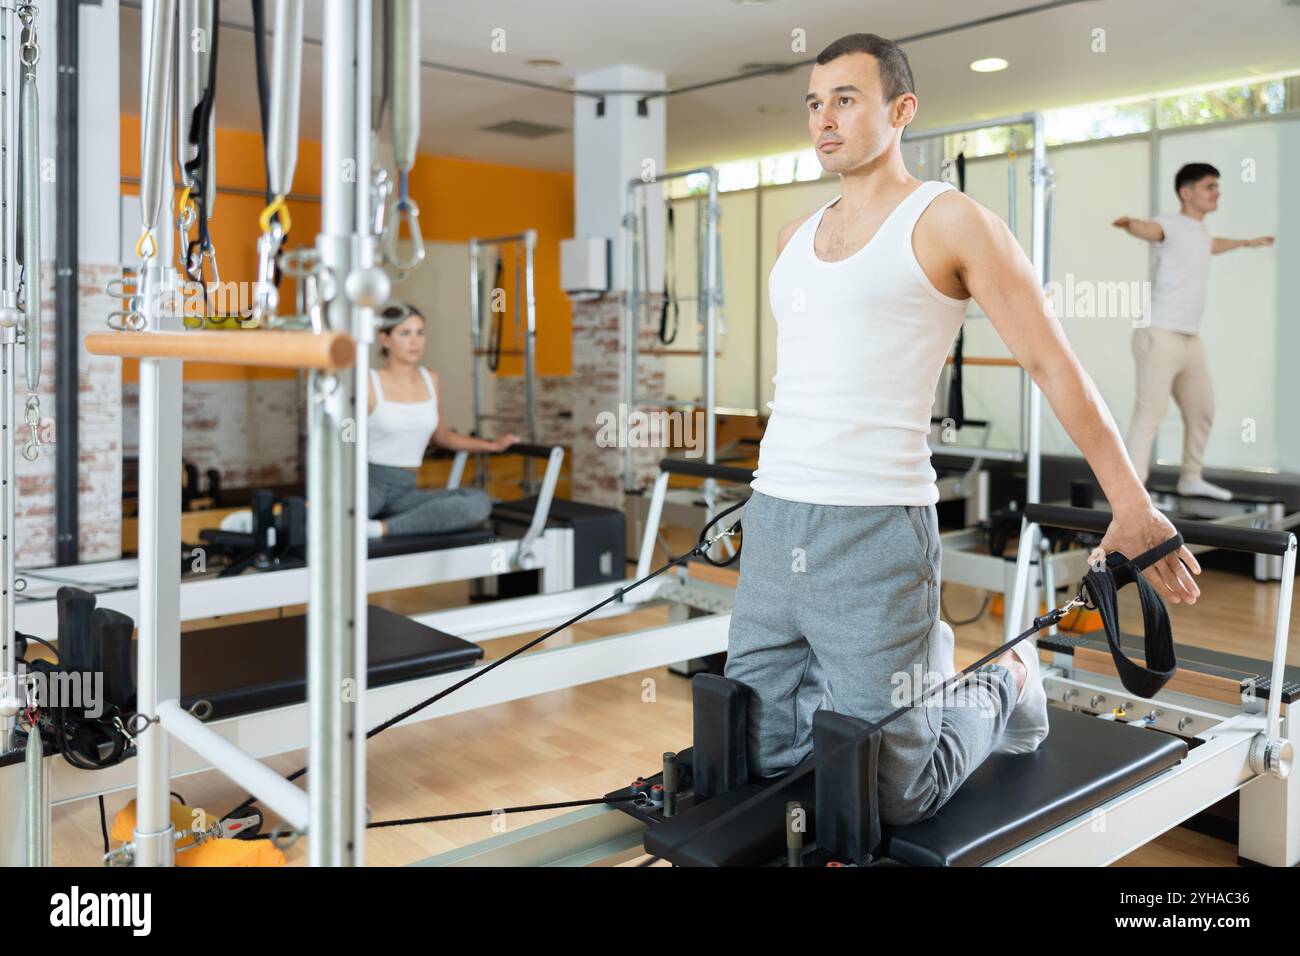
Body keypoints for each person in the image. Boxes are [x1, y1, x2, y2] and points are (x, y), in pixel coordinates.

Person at [725, 32, 1201, 827]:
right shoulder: (792, 239)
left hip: (876, 528)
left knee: (897, 795)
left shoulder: (950, 222)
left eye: (846, 99)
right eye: (814, 103)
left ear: (901, 110)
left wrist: (1132, 505)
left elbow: (1056, 367)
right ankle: (928, 661)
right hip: (774, 519)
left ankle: (1005, 677)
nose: (824, 119)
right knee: (763, 760)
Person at [1113, 165, 1274, 502]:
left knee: (1202, 409)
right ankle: (1131, 494)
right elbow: (1150, 230)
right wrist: (1132, 226)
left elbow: (1212, 244)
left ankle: (1191, 477)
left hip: (1189, 339)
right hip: (1159, 334)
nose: (1217, 192)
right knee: (1150, 413)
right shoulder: (1168, 225)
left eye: (1217, 186)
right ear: (1186, 193)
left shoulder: (1201, 232)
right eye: (1209, 186)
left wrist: (1246, 242)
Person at [367, 303, 517, 538]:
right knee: (321, 518)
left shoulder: (430, 379)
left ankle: (378, 529)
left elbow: (443, 436)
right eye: (405, 333)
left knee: (478, 502)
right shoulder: (368, 382)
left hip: (406, 489)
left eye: (420, 333)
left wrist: (493, 446)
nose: (415, 342)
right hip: (370, 484)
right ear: (385, 339)